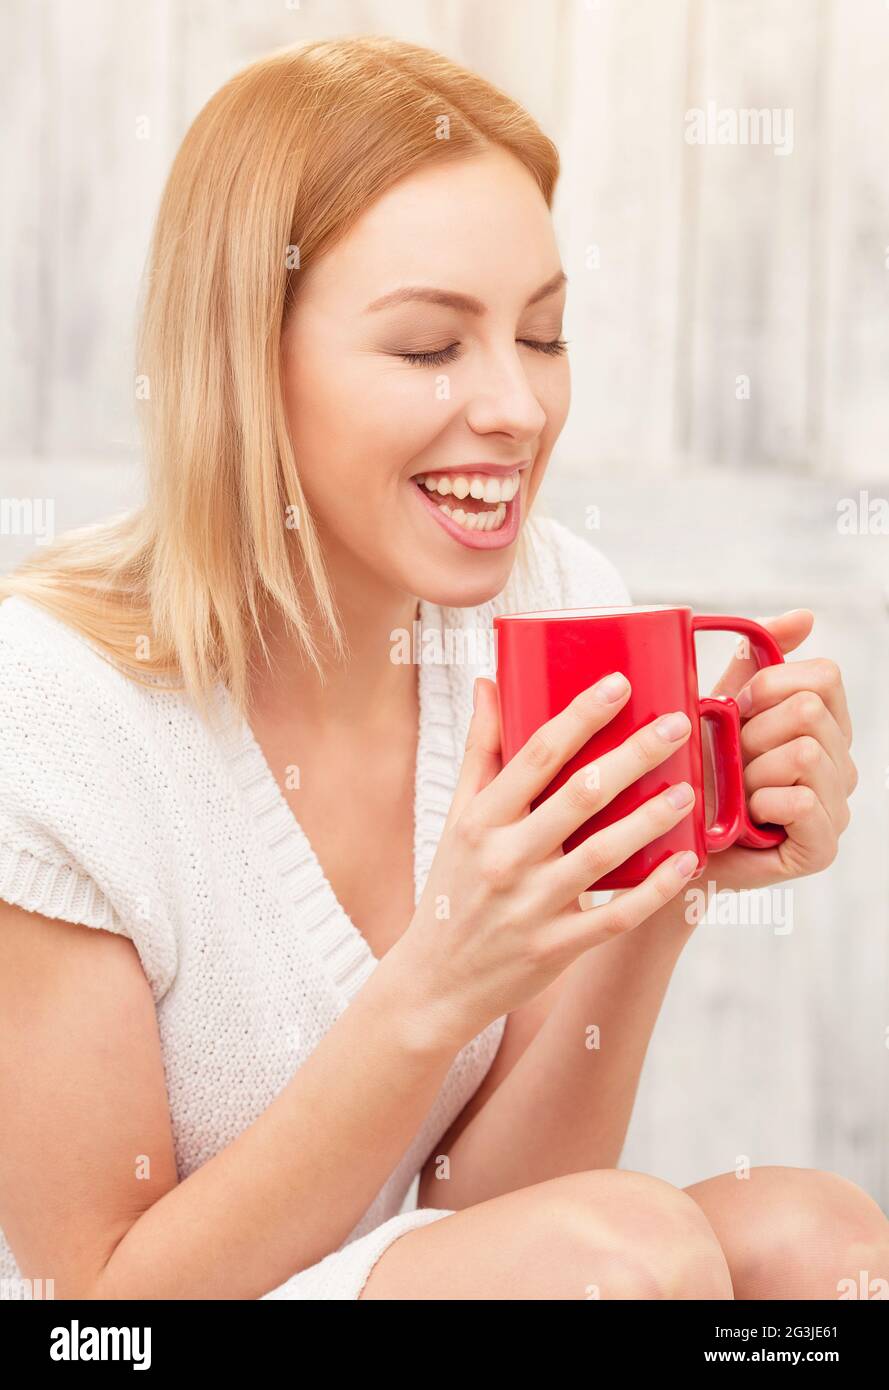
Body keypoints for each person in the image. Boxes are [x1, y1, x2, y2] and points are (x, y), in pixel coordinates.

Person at [0, 35, 879, 1301]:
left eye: (543, 334)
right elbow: (102, 1310)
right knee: (627, 1259)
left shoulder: (551, 606)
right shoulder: (55, 705)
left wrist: (668, 879)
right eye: (429, 348)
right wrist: (437, 981)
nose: (518, 408)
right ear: (248, 362)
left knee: (825, 1244)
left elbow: (506, 1212)